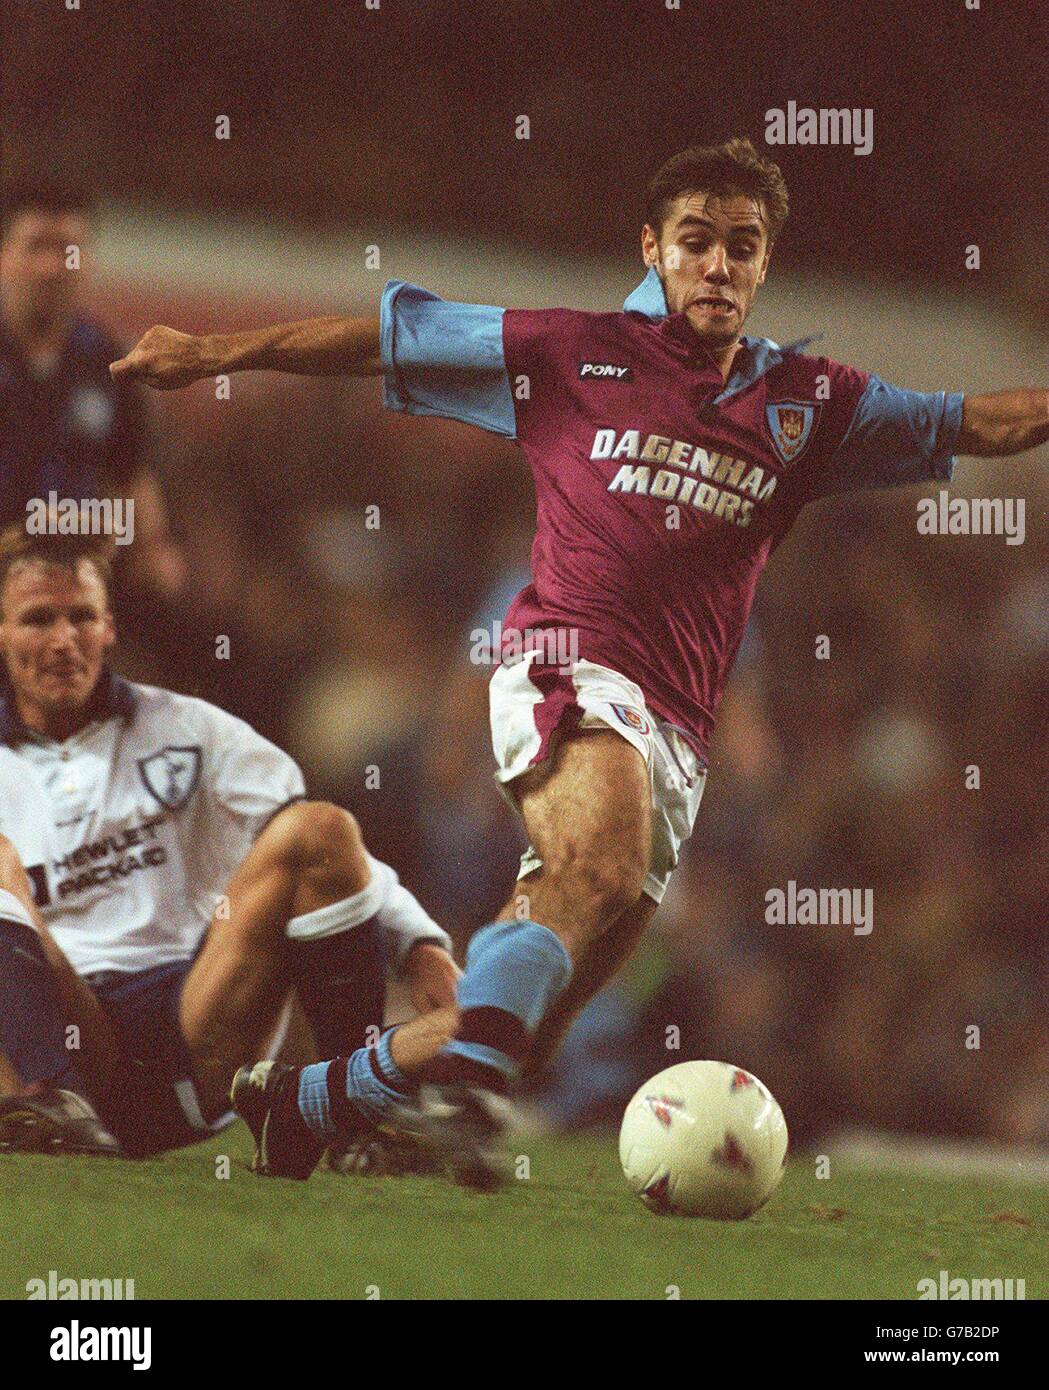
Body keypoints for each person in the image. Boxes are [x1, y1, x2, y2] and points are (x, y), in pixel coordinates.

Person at [111, 137, 1049, 1185]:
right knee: (589, 870)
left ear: (763, 264)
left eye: (742, 246)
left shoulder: (810, 402)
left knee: (536, 1012)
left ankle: (306, 1102)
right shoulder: (569, 350)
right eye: (695, 241)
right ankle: (460, 1097)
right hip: (564, 663)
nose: (717, 265)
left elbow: (979, 422)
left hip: (678, 731)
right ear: (651, 248)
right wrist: (213, 354)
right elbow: (384, 337)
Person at [0, 522, 457, 1166]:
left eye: (82, 617)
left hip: (200, 1025)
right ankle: (42, 1107)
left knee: (317, 827)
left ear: (109, 628)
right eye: (37, 619)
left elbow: (324, 840)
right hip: (70, 1048)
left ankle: (352, 1111)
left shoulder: (188, 730)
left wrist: (420, 942)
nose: (63, 640)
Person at [0, 179, 184, 599]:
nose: (51, 266)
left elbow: (131, 471)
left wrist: (156, 548)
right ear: (4, 255)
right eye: (35, 247)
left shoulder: (111, 363)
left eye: (66, 249)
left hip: (69, 581)